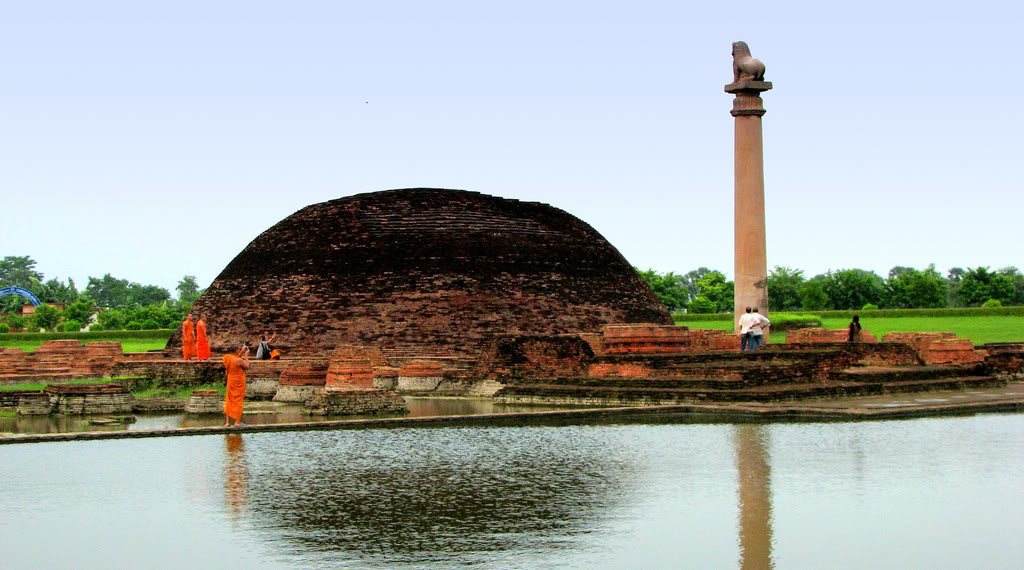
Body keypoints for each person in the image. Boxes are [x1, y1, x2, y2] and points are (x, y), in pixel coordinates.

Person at [222, 343, 250, 427]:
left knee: (229, 400)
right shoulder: (239, 360)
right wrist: (246, 356)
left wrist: (241, 352)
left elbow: (235, 357)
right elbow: (247, 367)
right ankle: (237, 422)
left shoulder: (227, 358)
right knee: (238, 401)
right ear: (237, 350)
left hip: (230, 381)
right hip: (239, 382)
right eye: (239, 349)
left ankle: (227, 423)